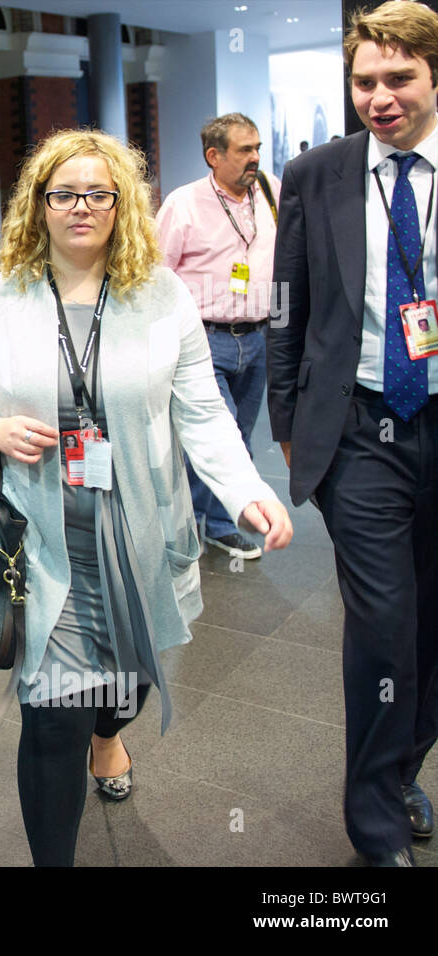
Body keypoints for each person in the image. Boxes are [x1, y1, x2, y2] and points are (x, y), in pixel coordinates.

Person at [0, 129, 292, 866]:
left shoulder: (160, 295)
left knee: (124, 692)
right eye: (64, 193)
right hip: (42, 548)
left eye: (98, 193)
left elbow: (201, 407)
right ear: (38, 204)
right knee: (51, 722)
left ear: (122, 203)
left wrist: (243, 491)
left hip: (137, 535)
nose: (81, 206)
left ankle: (112, 734)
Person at [268, 0, 438, 866]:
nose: (380, 97)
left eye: (398, 79)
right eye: (365, 81)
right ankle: (376, 831)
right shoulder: (317, 174)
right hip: (363, 428)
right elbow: (286, 302)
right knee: (383, 623)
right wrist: (288, 419)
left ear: (434, 77)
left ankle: (399, 764)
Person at [157, 114, 279, 561]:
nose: (255, 158)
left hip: (260, 336)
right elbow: (157, 276)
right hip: (205, 339)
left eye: (258, 148)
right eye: (245, 150)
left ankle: (196, 516)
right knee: (219, 432)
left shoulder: (270, 191)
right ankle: (221, 524)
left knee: (240, 434)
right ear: (214, 155)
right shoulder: (183, 204)